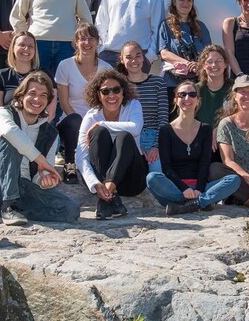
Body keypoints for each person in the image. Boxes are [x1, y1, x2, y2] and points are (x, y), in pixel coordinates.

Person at [0, 72, 80, 225]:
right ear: (21, 96)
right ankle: (8, 207)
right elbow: (9, 132)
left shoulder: (50, 133)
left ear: (48, 101)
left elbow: (43, 170)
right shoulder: (4, 113)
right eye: (32, 93)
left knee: (72, 210)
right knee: (11, 141)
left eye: (43, 95)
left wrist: (44, 178)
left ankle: (19, 211)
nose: (37, 99)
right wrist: (39, 158)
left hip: (25, 186)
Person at [146, 81, 241, 215]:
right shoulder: (165, 130)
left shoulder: (205, 129)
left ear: (198, 100)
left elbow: (204, 163)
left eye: (192, 94)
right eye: (182, 94)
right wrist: (184, 189)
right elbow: (166, 167)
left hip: (201, 187)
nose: (187, 98)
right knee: (152, 178)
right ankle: (201, 202)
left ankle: (186, 205)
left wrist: (199, 189)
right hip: (175, 188)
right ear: (175, 99)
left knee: (234, 180)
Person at [76, 69, 148, 219]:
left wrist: (102, 123)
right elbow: (81, 156)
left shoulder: (133, 106)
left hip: (130, 179)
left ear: (123, 92)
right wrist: (96, 184)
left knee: (124, 137)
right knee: (99, 133)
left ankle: (107, 193)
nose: (111, 95)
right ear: (98, 95)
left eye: (116, 90)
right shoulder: (92, 116)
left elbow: (135, 128)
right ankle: (110, 195)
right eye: (105, 91)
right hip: (100, 179)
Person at [55, 23, 113, 183]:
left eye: (91, 38)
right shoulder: (65, 65)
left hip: (96, 122)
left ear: (98, 42)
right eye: (83, 39)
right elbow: (64, 103)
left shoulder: (106, 69)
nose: (87, 43)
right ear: (76, 42)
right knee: (75, 121)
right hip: (70, 120)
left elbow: (108, 103)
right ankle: (70, 165)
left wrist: (93, 125)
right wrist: (82, 126)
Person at [210, 75, 249, 206]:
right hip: (241, 180)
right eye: (242, 92)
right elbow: (228, 160)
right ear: (235, 96)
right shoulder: (226, 124)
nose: (246, 96)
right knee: (215, 169)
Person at [156, 0, 212, 103]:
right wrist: (187, 64)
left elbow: (209, 54)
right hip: (172, 83)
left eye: (189, 0)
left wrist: (198, 65)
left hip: (198, 83)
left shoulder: (201, 27)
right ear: (174, 1)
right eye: (182, 0)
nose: (185, 3)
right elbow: (164, 53)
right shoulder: (165, 26)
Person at [118, 41, 168, 173]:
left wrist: (156, 146)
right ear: (122, 60)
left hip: (153, 138)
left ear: (143, 57)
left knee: (156, 176)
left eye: (138, 55)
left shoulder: (158, 82)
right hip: (129, 138)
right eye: (128, 57)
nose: (134, 60)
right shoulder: (119, 86)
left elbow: (163, 118)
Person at [0, 31, 44, 109]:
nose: (26, 49)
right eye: (22, 45)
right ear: (12, 48)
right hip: (7, 119)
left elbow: (50, 111)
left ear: (35, 51)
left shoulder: (44, 75)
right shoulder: (1, 76)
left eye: (31, 46)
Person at [195, 45, 233, 127]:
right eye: (209, 61)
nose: (214, 65)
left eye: (218, 61)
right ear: (203, 66)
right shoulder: (195, 90)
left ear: (225, 64)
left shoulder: (235, 89)